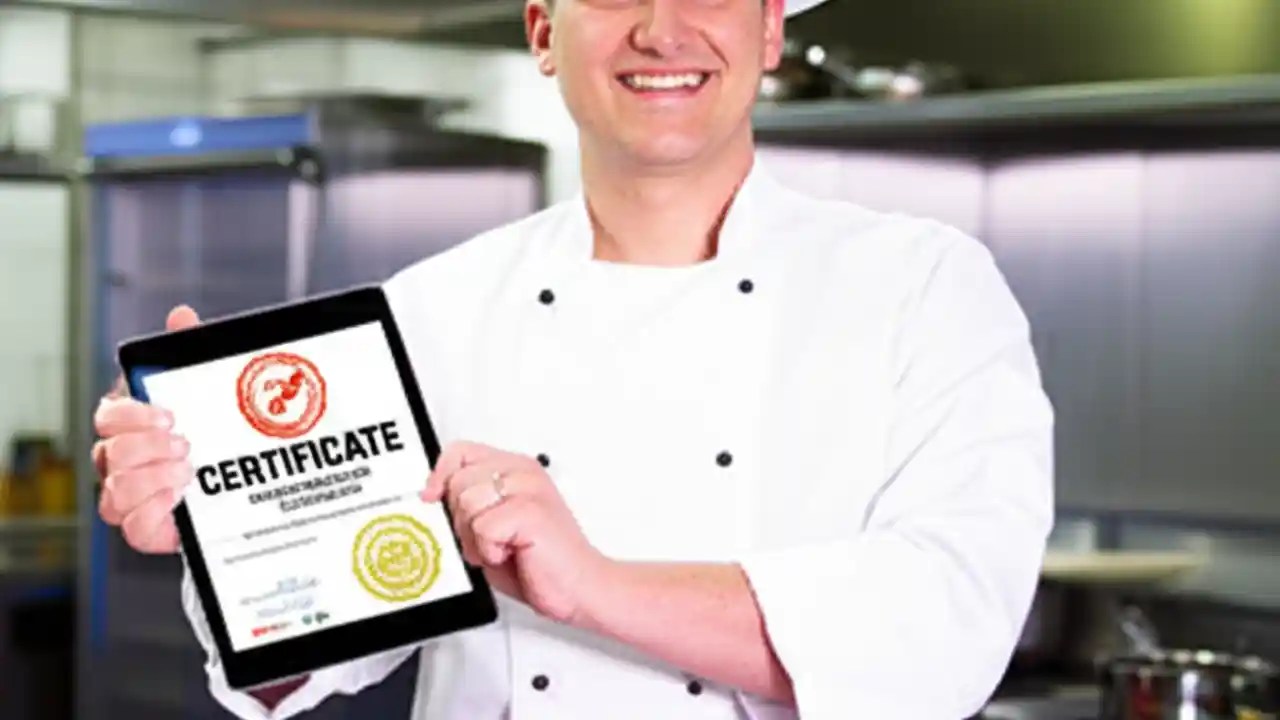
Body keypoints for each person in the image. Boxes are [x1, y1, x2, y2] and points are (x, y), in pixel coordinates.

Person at [92, 0, 1055, 717]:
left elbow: (945, 630)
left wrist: (591, 584)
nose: (661, 29)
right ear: (543, 32)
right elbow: (315, 654)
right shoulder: (432, 307)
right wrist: (226, 530)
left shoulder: (923, 289)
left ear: (769, 30)